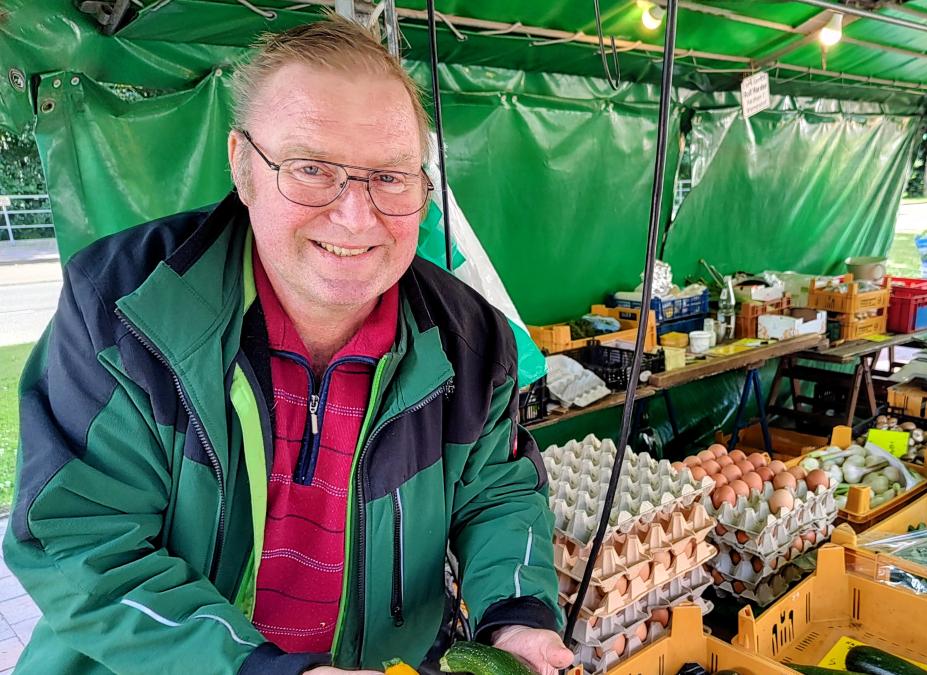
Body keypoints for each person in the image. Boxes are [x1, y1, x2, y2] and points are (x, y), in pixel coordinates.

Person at [3, 14, 573, 675]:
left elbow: (497, 492)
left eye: (389, 177)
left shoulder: (471, 343)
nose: (356, 217)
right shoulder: (125, 310)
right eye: (310, 167)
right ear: (243, 165)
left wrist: (519, 615)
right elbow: (77, 541)